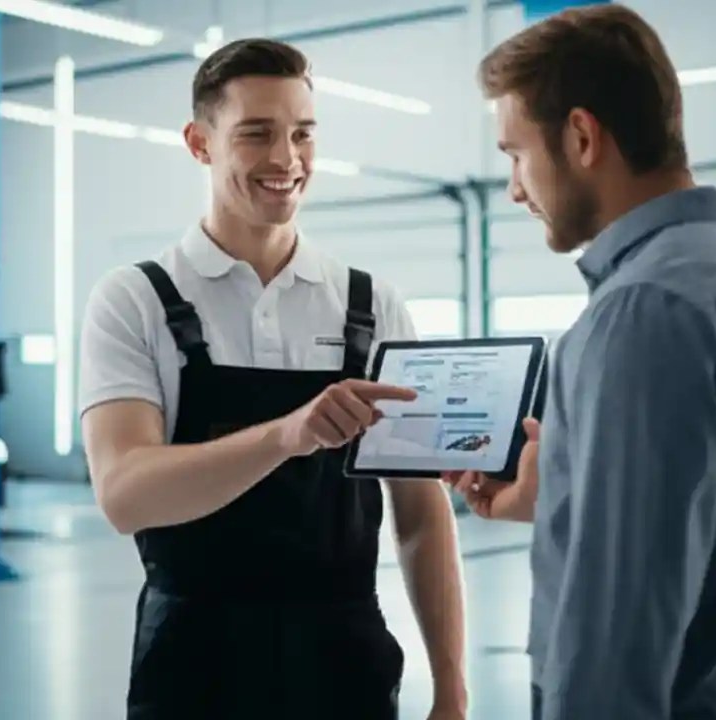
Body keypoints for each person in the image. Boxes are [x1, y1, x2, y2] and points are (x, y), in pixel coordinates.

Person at [445, 5, 716, 720]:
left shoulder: (643, 309)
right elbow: (706, 522)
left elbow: (616, 640)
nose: (515, 189)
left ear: (583, 136)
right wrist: (562, 497)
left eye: (515, 154)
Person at [78, 38, 468, 720]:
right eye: (257, 135)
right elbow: (124, 495)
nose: (286, 160)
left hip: (346, 667)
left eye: (302, 134)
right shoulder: (135, 300)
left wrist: (452, 690)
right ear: (200, 144)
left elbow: (420, 513)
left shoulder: (372, 306)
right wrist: (286, 435)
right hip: (193, 671)